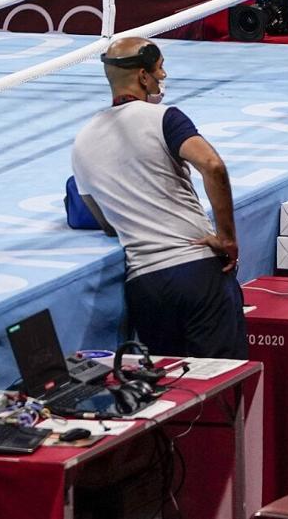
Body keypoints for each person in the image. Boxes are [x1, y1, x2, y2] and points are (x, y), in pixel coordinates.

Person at [71, 37, 249, 359]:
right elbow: (213, 165)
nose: (163, 76)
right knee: (224, 387)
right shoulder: (164, 118)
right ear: (142, 76)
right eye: (159, 68)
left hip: (146, 286)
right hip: (197, 272)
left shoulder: (81, 143)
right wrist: (227, 238)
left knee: (172, 393)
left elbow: (105, 223)